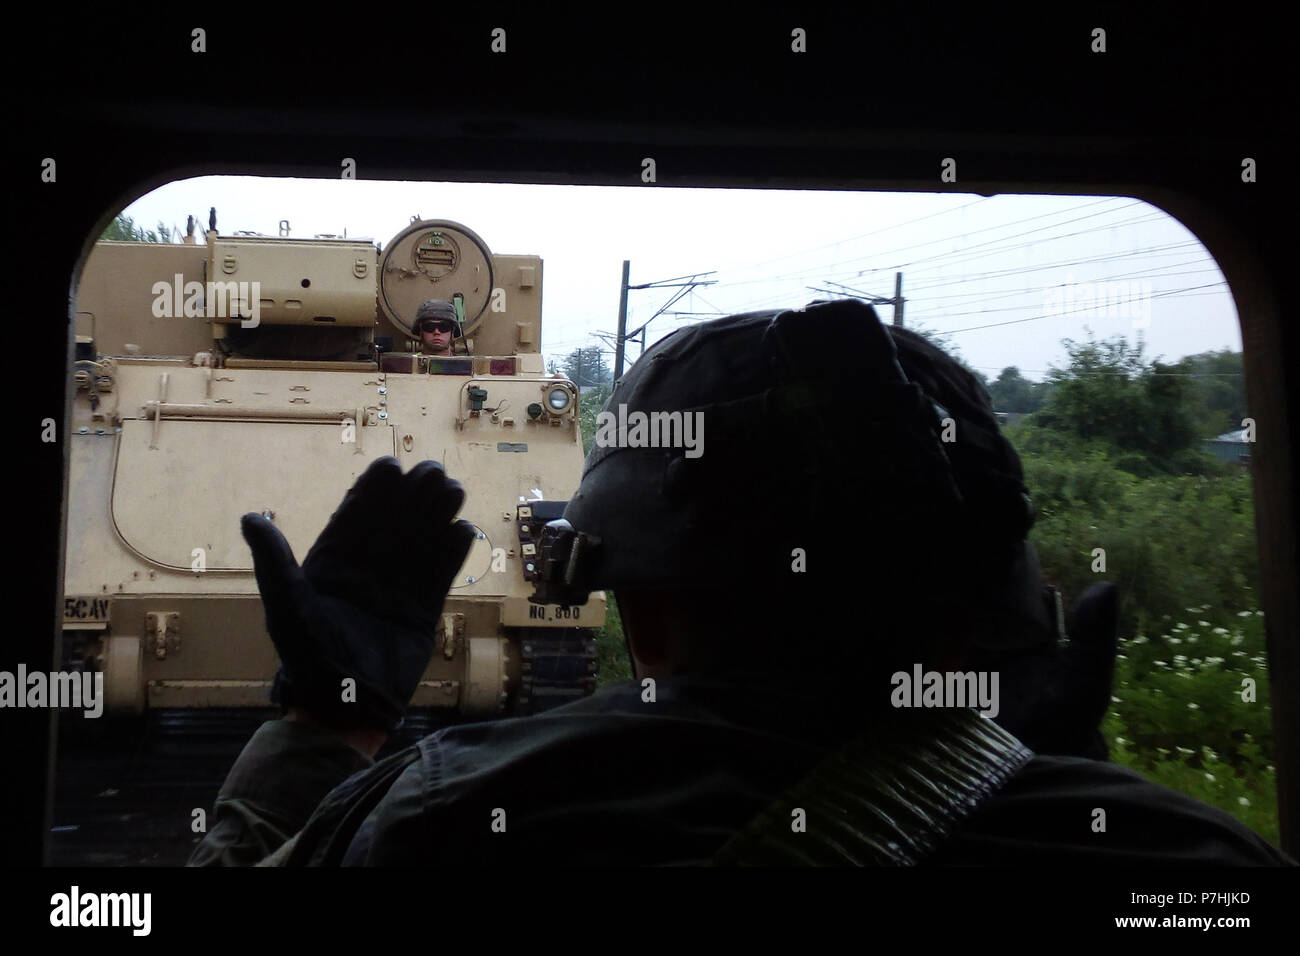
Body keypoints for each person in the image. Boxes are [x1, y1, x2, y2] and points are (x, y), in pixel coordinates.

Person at [189, 299, 1292, 867]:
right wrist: (1043, 774)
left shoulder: (444, 818)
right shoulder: (1189, 859)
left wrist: (324, 727)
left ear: (643, 595)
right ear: (1004, 584)